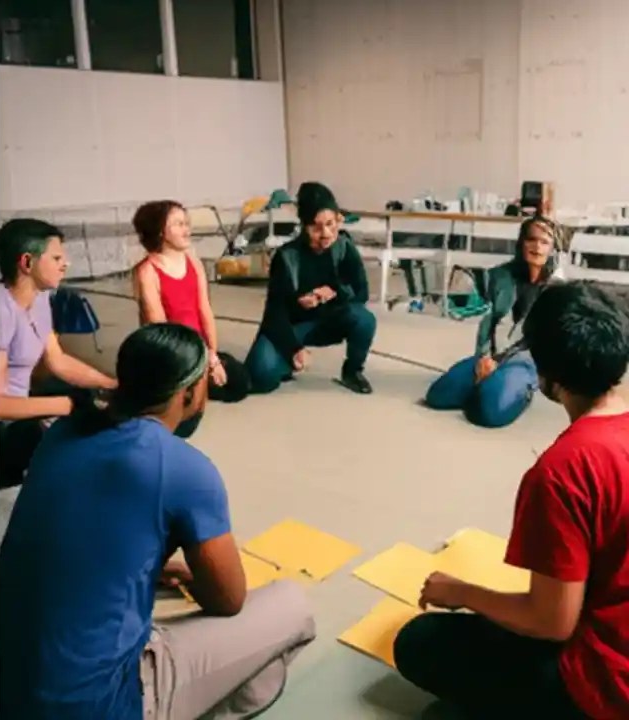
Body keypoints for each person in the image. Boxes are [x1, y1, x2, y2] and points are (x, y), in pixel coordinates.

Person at [0, 323, 316, 719]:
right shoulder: (186, 470)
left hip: (3, 692)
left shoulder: (60, 434)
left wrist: (146, 565)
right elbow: (227, 600)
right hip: (100, 705)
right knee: (291, 604)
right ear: (189, 393)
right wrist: (191, 577)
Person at [393, 281, 629, 719]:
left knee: (419, 643)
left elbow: (552, 622)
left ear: (544, 372)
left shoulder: (564, 470)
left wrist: (462, 592)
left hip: (606, 689)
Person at [0, 218, 116, 490]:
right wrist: (67, 406)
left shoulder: (40, 298)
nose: (66, 264)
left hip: (22, 412)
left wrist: (110, 385)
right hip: (0, 430)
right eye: (57, 258)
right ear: (27, 263)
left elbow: (57, 360)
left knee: (93, 403)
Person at [424, 216, 564, 428]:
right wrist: (483, 356)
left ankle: (519, 390)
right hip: (493, 353)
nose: (537, 247)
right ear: (521, 243)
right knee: (437, 396)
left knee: (490, 413)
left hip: (527, 360)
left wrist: (501, 360)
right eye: (531, 239)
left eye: (544, 242)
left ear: (553, 249)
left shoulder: (558, 289)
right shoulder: (500, 276)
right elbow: (488, 320)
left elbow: (543, 338)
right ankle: (489, 387)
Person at [131, 200, 251, 438]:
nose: (187, 229)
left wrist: (212, 356)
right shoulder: (147, 271)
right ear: (160, 231)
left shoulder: (194, 263)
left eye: (186, 223)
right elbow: (161, 330)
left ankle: (198, 381)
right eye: (178, 224)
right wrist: (201, 363)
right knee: (185, 423)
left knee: (239, 382)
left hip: (200, 349)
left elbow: (205, 311)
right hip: (171, 353)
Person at [244, 181, 376, 395]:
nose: (326, 233)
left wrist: (333, 292)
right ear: (304, 226)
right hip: (294, 325)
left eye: (330, 224)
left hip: (330, 321)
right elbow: (274, 314)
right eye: (316, 227)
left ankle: (352, 371)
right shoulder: (287, 257)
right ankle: (286, 363)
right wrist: (293, 349)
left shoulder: (344, 247)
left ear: (338, 219)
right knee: (260, 375)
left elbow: (362, 292)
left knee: (364, 319)